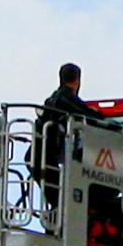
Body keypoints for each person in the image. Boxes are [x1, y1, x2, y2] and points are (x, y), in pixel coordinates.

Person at [29, 61, 96, 203]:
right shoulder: (65, 98)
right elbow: (87, 115)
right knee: (59, 196)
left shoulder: (53, 99)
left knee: (55, 191)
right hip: (44, 154)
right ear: (77, 80)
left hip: (36, 153)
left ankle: (58, 205)